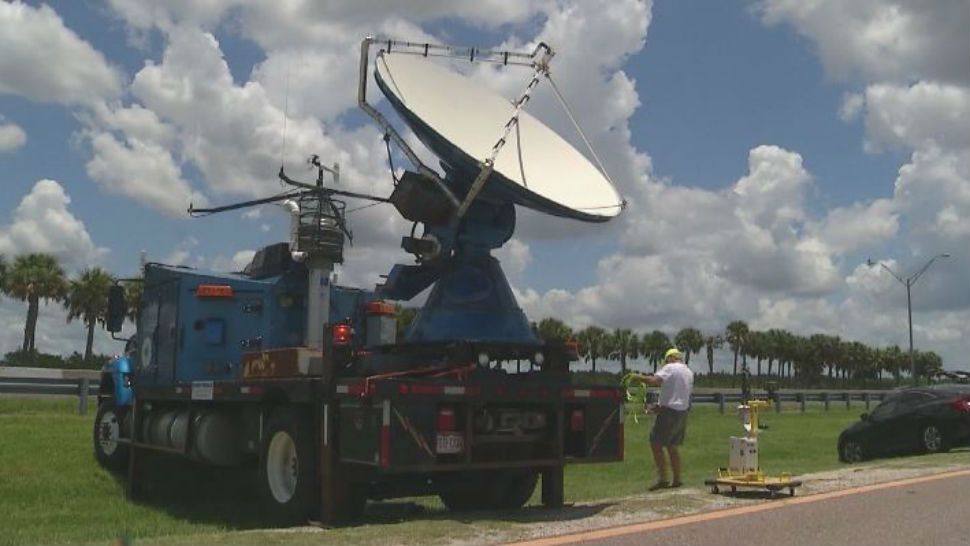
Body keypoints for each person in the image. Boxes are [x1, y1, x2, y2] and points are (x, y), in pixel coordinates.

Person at [636, 347, 694, 490]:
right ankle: (677, 479)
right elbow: (676, 395)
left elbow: (654, 381)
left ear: (670, 358)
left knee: (655, 443)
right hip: (682, 412)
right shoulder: (688, 372)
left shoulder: (670, 367)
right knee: (672, 446)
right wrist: (658, 407)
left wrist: (638, 377)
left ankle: (663, 479)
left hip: (669, 413)